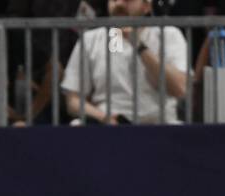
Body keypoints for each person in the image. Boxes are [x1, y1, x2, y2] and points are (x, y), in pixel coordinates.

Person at [60, 0, 189, 124]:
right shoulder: (90, 40)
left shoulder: (168, 35)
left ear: (147, 6)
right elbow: (73, 101)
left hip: (159, 124)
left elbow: (180, 89)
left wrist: (139, 46)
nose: (119, 4)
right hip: (108, 127)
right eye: (114, 0)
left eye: (128, 0)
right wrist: (103, 117)